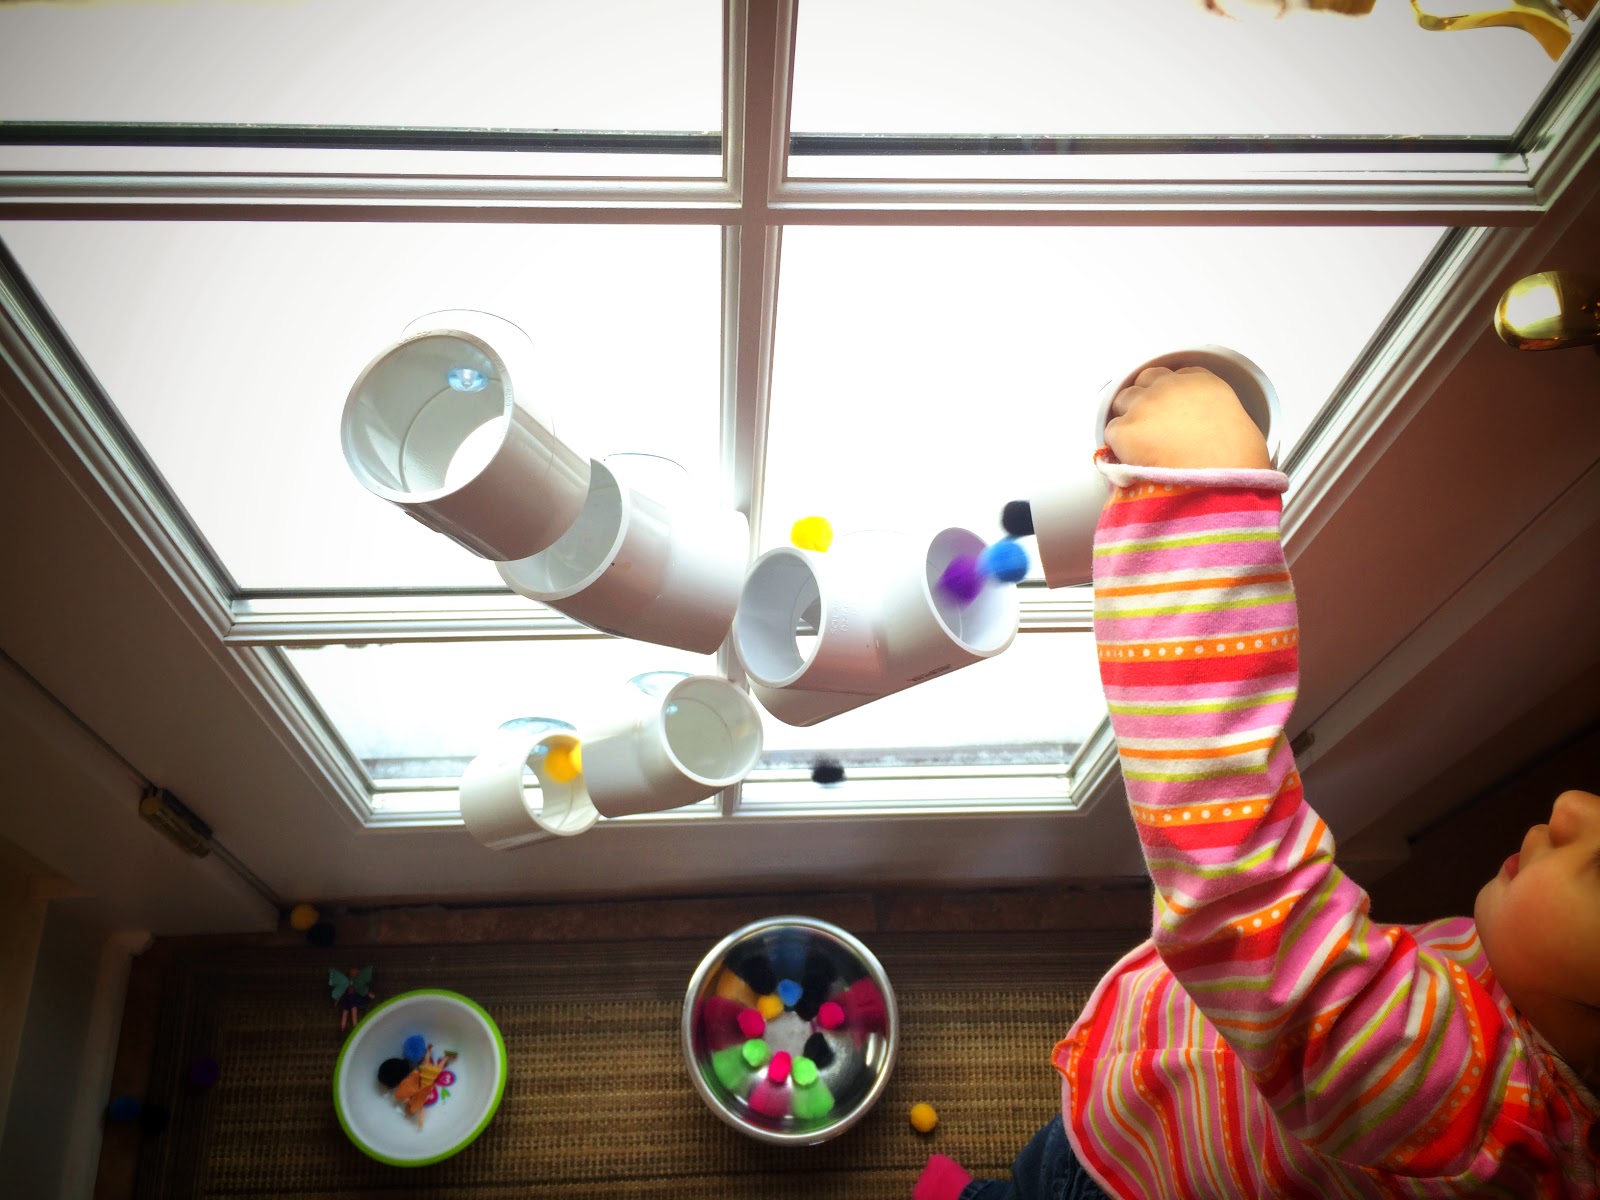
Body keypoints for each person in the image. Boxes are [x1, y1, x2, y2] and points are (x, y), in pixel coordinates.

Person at [915, 365, 1600, 1198]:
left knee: (1053, 1179)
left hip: (1142, 1179)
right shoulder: (1536, 1034)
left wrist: (1197, 504)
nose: (1574, 807)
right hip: (1171, 1096)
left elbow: (1247, 893)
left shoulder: (1483, 1114)